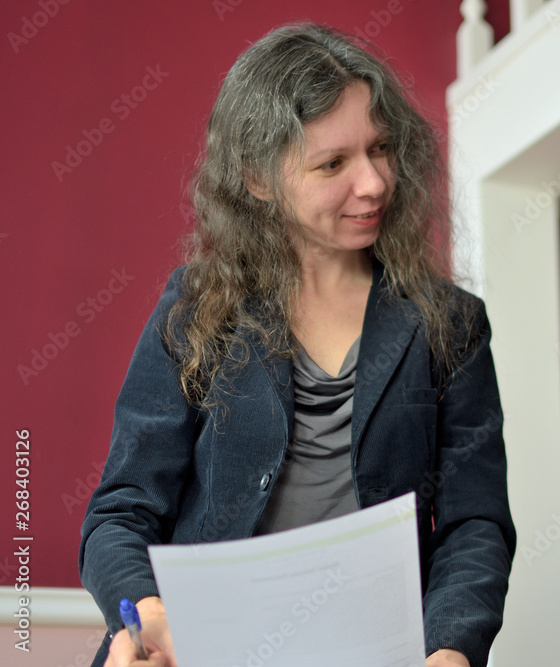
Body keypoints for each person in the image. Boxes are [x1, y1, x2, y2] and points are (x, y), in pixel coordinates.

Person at [79, 23, 515, 667]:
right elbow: (119, 513)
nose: (373, 184)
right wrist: (147, 614)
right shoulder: (197, 308)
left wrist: (450, 649)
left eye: (381, 149)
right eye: (332, 163)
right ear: (258, 179)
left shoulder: (451, 324)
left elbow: (473, 526)